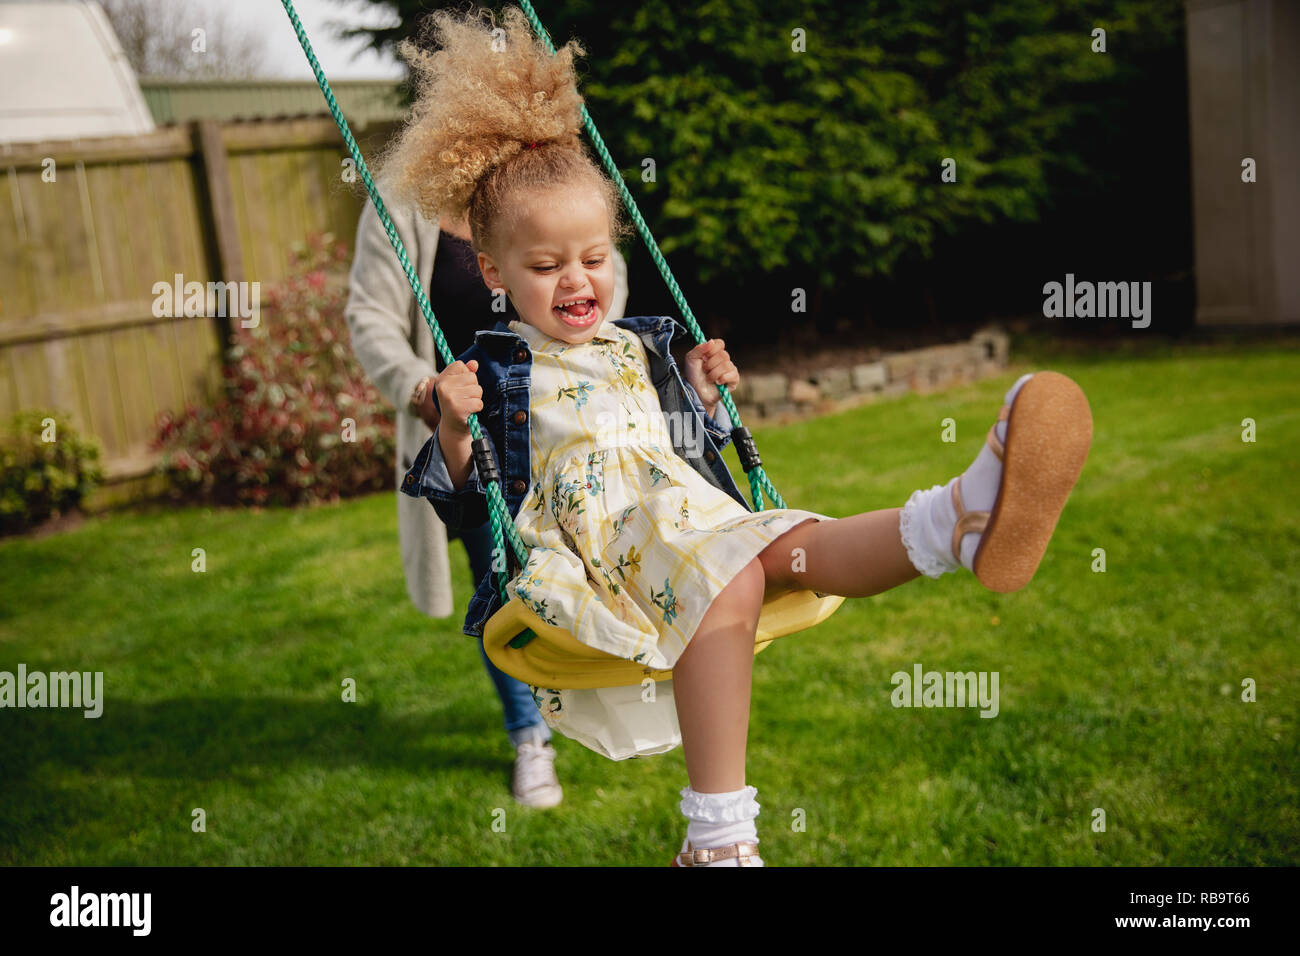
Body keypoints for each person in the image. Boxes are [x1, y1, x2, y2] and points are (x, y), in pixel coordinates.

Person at [388, 5, 1092, 866]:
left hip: (681, 512)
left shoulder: (643, 340)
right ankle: (718, 837)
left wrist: (703, 395)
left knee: (793, 543)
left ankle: (957, 521)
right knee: (727, 575)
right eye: (545, 267)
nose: (578, 279)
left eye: (595, 257)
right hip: (602, 548)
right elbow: (471, 491)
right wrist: (454, 420)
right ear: (494, 273)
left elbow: (682, 440)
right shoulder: (497, 365)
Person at [343, 119, 630, 808]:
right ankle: (530, 736)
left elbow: (600, 279)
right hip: (472, 436)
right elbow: (370, 316)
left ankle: (601, 689)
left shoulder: (538, 186)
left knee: (589, 564)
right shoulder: (402, 203)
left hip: (564, 425)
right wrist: (425, 391)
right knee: (502, 579)